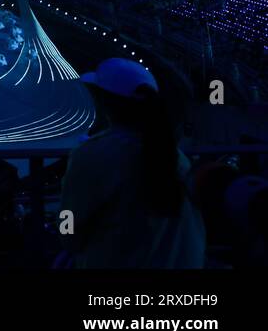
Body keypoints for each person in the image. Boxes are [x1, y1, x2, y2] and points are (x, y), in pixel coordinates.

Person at [58, 58, 205, 268]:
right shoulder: (176, 156)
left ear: (105, 102)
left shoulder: (92, 154)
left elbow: (70, 229)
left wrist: (65, 237)